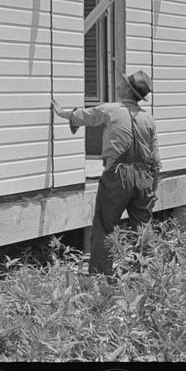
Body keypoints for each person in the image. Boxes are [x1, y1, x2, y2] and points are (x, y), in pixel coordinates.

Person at [52, 70, 160, 276]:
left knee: (105, 226)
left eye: (122, 84)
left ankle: (101, 277)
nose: (118, 86)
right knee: (143, 228)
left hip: (118, 176)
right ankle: (150, 275)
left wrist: (62, 113)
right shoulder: (149, 119)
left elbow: (85, 116)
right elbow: (156, 160)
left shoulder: (111, 110)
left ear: (128, 89)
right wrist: (153, 188)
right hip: (144, 177)